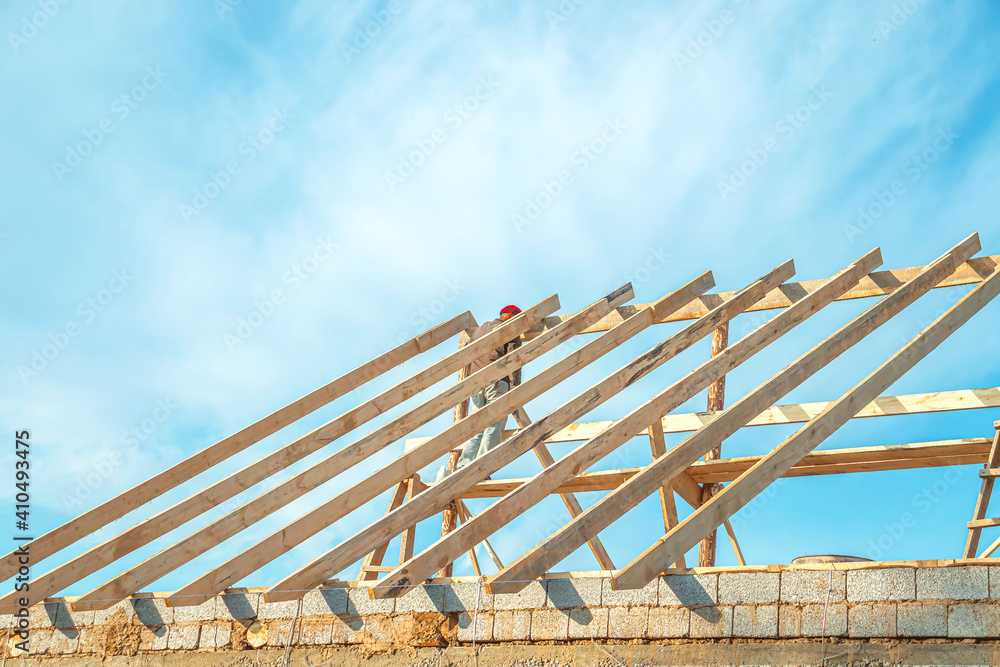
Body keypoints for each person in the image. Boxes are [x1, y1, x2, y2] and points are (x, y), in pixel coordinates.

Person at [436, 304, 523, 482]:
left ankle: (464, 467)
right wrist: (516, 389)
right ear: (510, 315)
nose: (517, 322)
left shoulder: (481, 329)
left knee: (476, 427)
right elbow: (515, 359)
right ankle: (481, 469)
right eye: (516, 317)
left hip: (476, 384)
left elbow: (466, 351)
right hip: (496, 381)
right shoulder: (511, 329)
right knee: (494, 424)